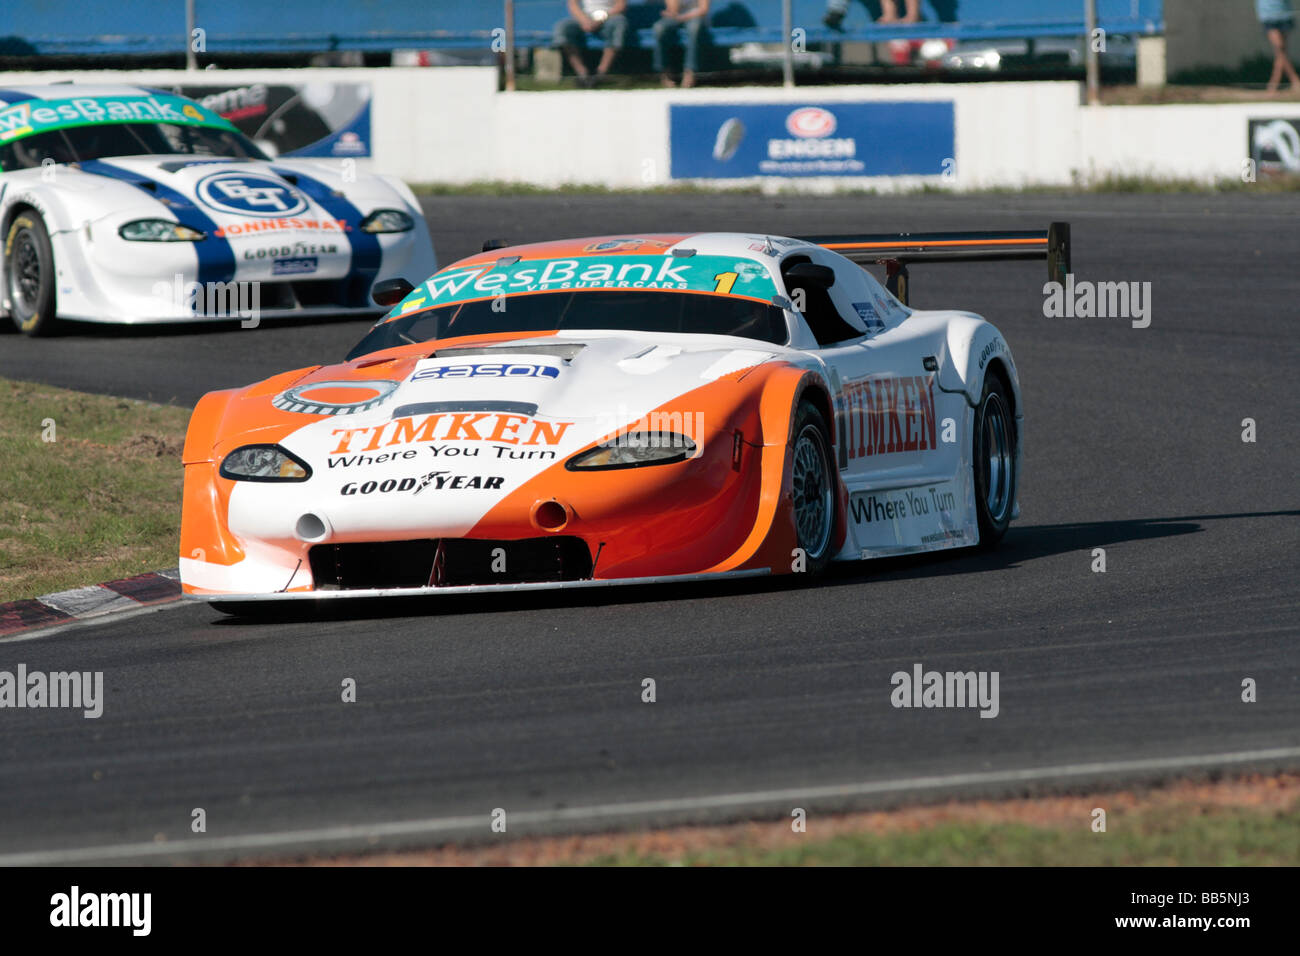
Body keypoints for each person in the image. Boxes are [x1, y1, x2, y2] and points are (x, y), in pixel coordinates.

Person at [554, 0, 630, 87]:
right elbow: (573, 5)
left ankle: (601, 74)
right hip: (584, 18)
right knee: (562, 29)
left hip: (609, 17)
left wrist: (601, 19)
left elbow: (620, 6)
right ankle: (582, 74)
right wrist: (584, 20)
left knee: (619, 24)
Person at [654, 0, 711, 88]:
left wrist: (684, 17)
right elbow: (673, 10)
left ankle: (689, 72)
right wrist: (674, 13)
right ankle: (664, 73)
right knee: (659, 28)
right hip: (676, 17)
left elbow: (703, 9)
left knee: (694, 29)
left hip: (695, 16)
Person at [1257, 0, 1300, 92]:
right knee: (1280, 49)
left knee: (1281, 52)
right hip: (1268, 16)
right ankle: (1294, 81)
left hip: (1284, 15)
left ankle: (1273, 86)